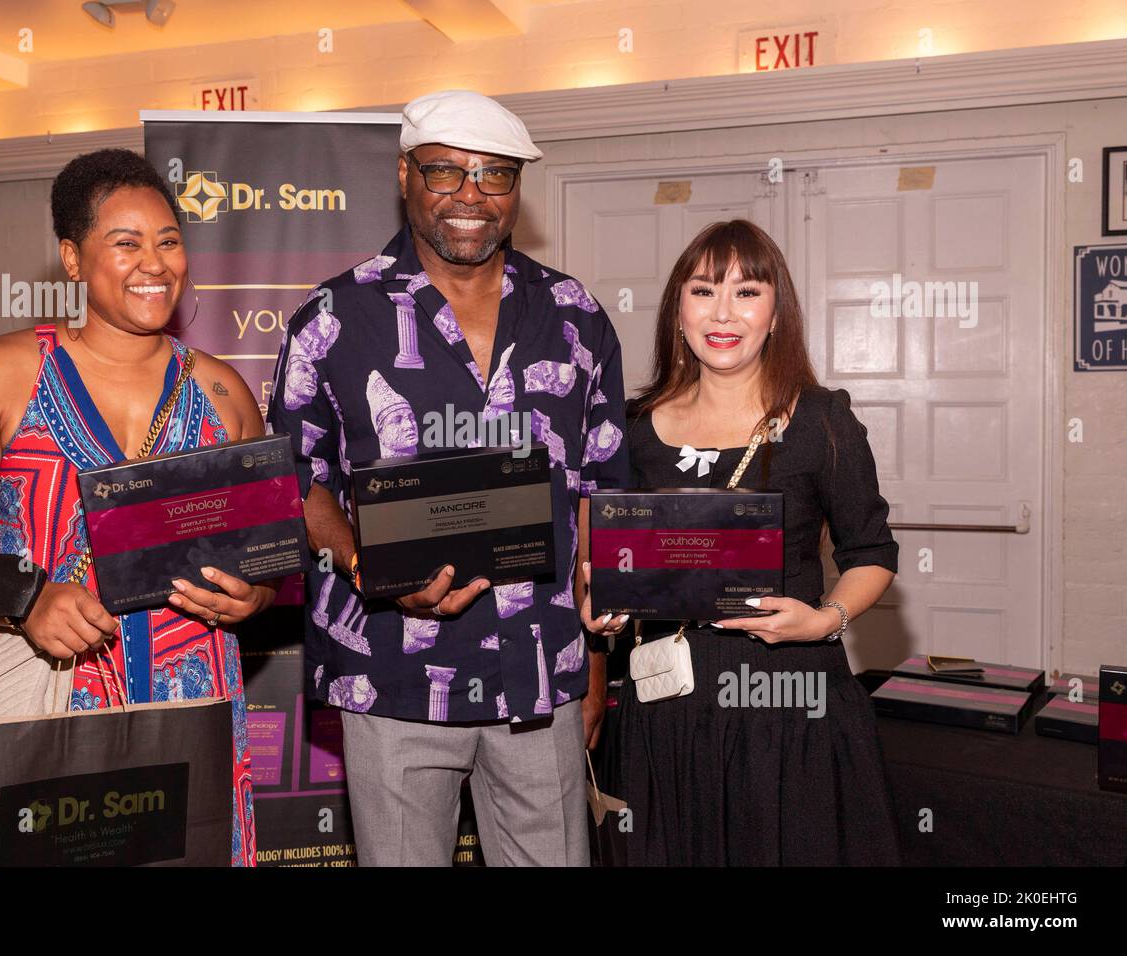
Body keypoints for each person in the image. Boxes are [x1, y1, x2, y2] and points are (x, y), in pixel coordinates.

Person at [268, 90, 630, 866]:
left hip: (541, 672)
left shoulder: (575, 315)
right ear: (406, 176)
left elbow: (602, 493)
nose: (471, 196)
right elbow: (295, 484)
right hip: (392, 668)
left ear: (518, 189)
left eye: (494, 176)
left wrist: (596, 663)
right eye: (446, 172)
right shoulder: (332, 319)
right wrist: (367, 564)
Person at [0, 148, 275, 867]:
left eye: (167, 241)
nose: (154, 264)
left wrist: (252, 597)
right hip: (45, 712)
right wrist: (25, 600)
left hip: (190, 715)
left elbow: (261, 558)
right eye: (124, 243)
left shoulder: (223, 395)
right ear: (71, 259)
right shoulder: (2, 379)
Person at [580, 219, 901, 865]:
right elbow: (603, 556)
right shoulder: (630, 429)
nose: (723, 312)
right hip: (663, 707)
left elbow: (871, 553)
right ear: (678, 311)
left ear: (776, 313)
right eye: (703, 291)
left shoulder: (820, 420)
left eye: (747, 292)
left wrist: (825, 620)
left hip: (789, 703)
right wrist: (601, 605)